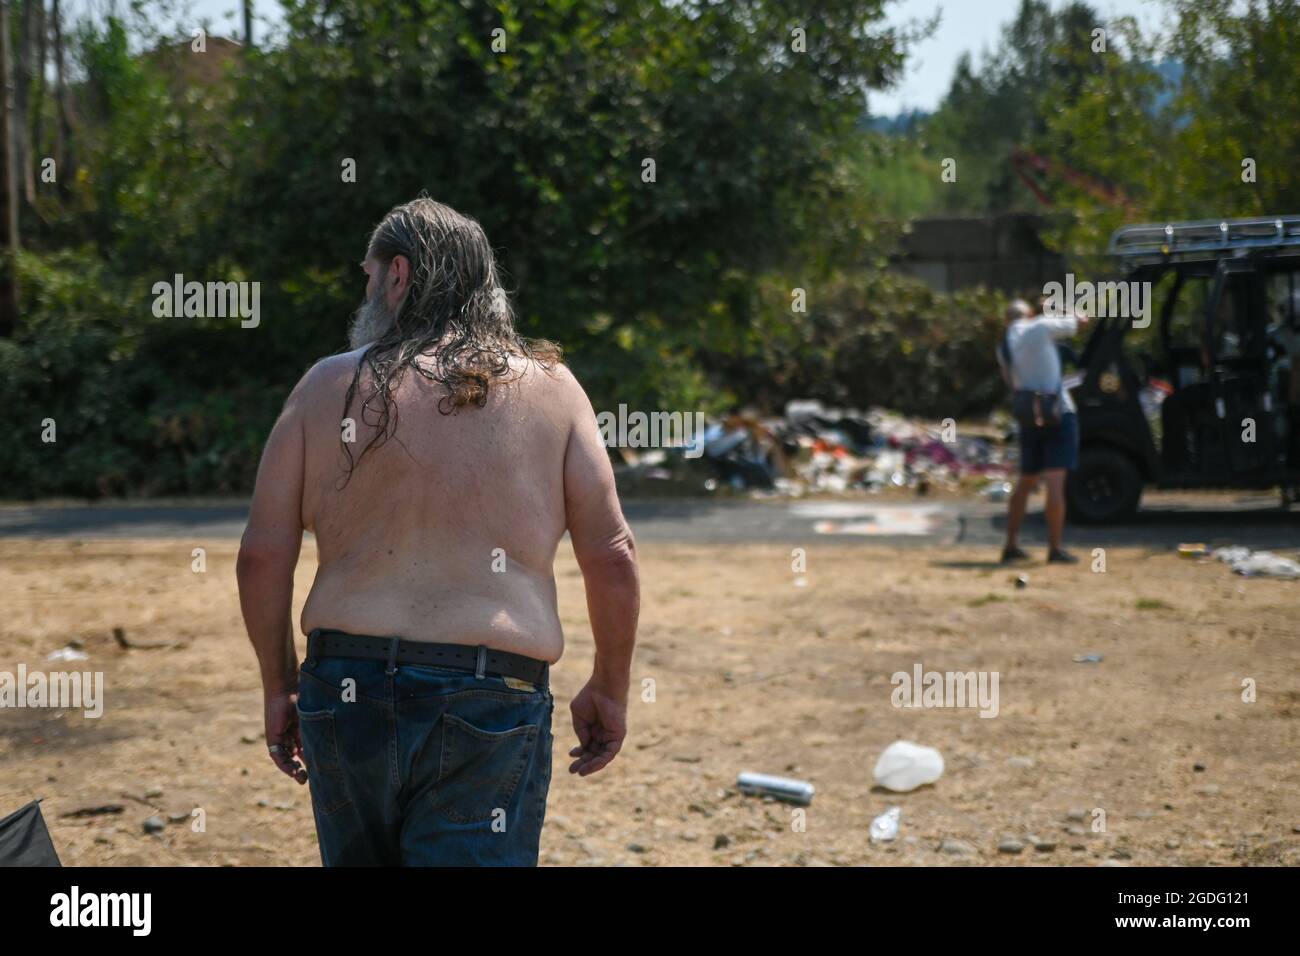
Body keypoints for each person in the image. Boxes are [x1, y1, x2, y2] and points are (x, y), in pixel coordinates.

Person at [236, 197, 640, 865]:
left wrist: (280, 685)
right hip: (491, 695)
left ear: (398, 275)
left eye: (367, 276)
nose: (365, 293)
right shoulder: (554, 392)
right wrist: (610, 687)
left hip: (346, 685)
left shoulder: (323, 388)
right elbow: (615, 556)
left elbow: (260, 556)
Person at [997, 297, 1088, 564]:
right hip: (1058, 413)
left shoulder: (1003, 345)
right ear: (1029, 315)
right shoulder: (1041, 326)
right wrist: (1058, 304)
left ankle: (1011, 545)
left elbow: (1009, 381)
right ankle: (1055, 548)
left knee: (1025, 483)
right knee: (1055, 483)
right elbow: (1082, 320)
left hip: (1027, 416)